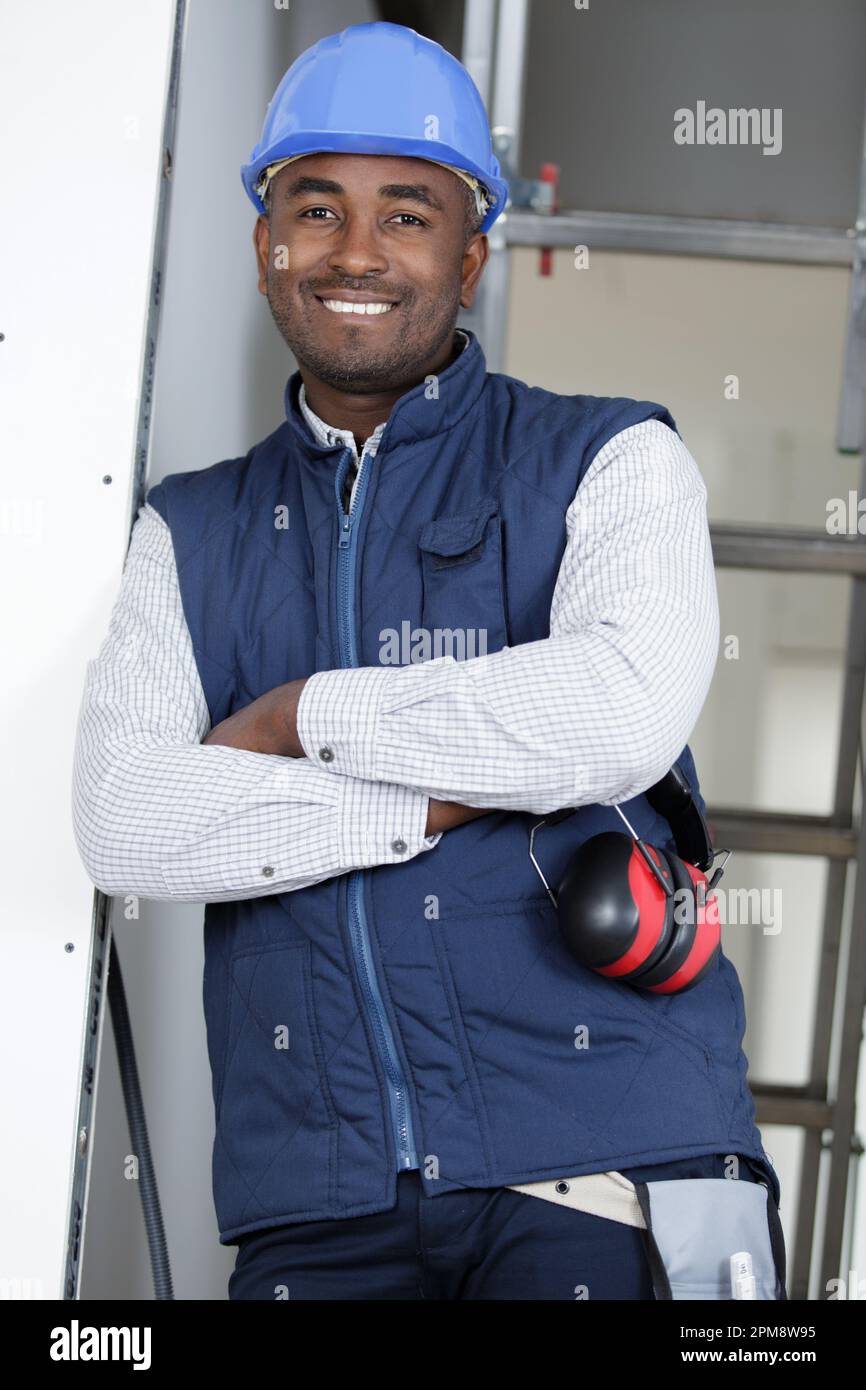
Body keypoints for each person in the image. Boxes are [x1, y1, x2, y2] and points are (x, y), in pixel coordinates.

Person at [72, 20, 784, 1300]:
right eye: (315, 207)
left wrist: (301, 713)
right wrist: (447, 788)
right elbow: (129, 822)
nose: (354, 252)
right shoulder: (188, 532)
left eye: (406, 213)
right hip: (316, 1213)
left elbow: (615, 713)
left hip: (609, 1175)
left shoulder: (611, 461)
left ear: (471, 253)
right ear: (261, 245)